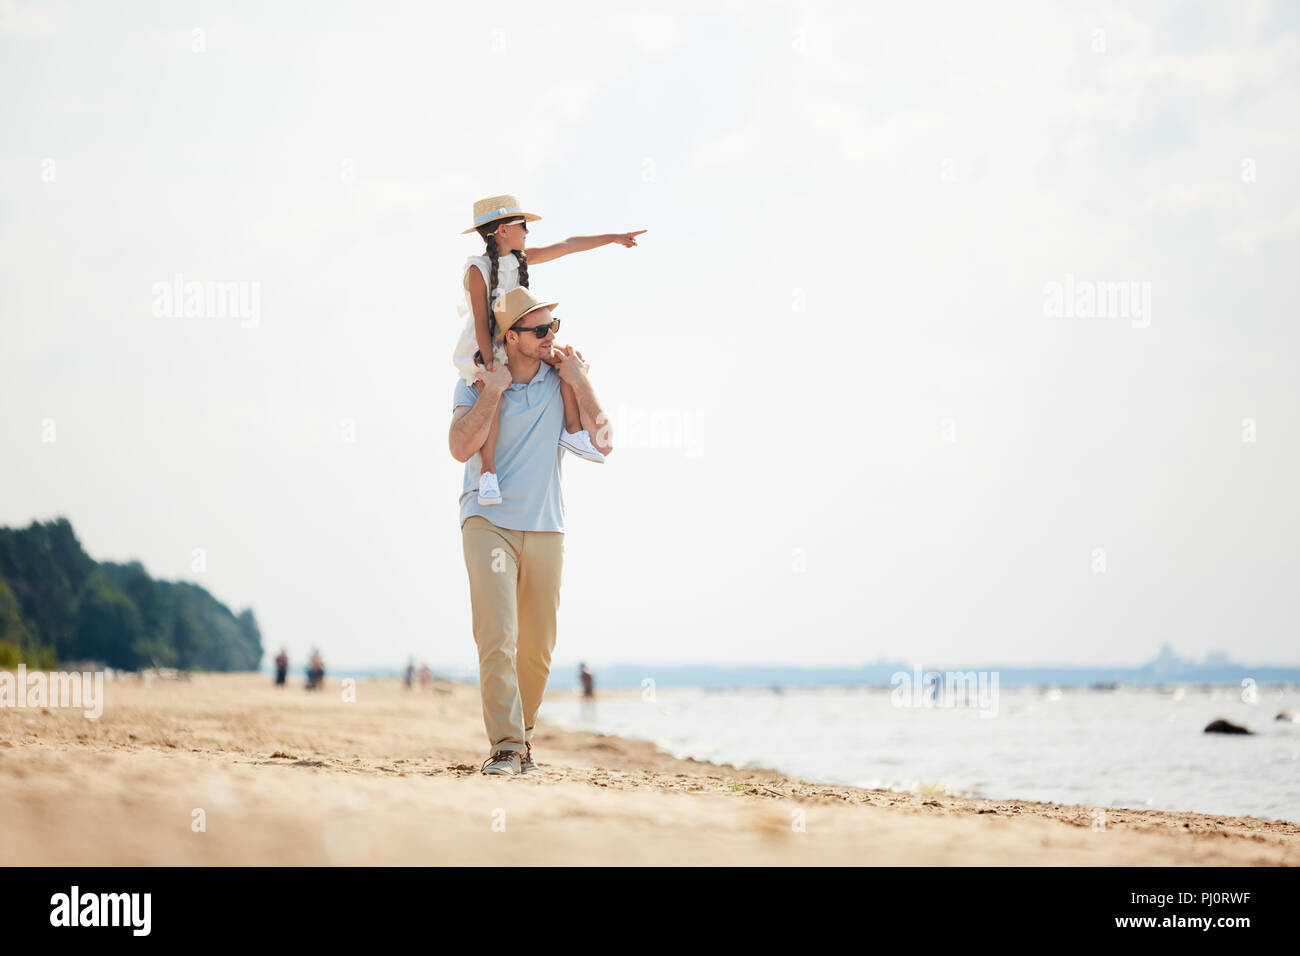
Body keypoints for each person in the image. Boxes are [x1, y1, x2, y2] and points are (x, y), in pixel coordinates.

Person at [449, 286, 613, 776]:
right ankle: (504, 747)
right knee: (497, 636)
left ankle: (523, 741)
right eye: (540, 330)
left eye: (553, 328)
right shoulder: (476, 380)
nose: (551, 337)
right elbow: (460, 447)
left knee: (538, 648)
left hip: (546, 526)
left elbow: (604, 443)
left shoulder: (559, 380)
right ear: (512, 337)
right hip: (487, 520)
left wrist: (581, 380)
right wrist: (494, 389)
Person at [452, 194, 643, 507]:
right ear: (501, 230)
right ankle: (488, 472)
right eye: (521, 224)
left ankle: (572, 432)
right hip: (486, 344)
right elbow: (480, 321)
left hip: (515, 338)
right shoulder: (478, 269)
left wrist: (613, 238)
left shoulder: (519, 259)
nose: (527, 231)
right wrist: (491, 366)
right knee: (494, 395)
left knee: (563, 359)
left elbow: (567, 245)